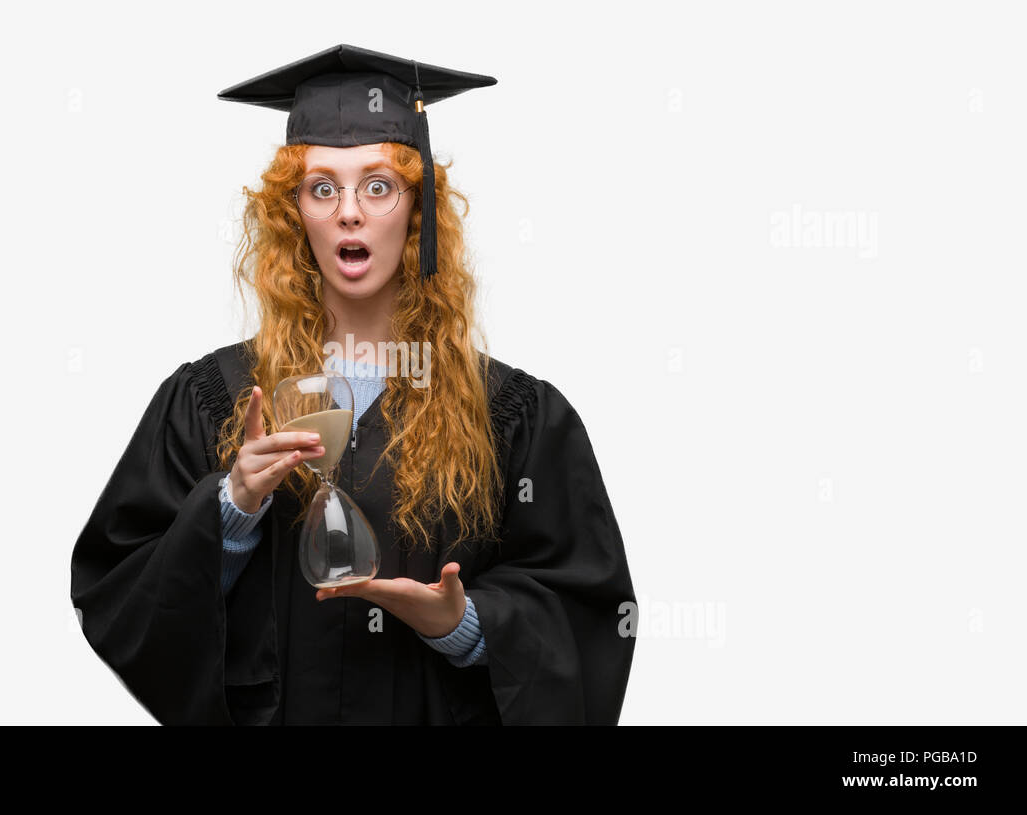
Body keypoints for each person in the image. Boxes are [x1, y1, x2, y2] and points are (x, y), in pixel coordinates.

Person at [69, 44, 637, 725]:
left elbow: (589, 610)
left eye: (377, 185)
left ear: (418, 210)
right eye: (322, 187)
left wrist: (463, 622)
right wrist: (232, 507)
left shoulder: (511, 416)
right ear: (293, 215)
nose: (349, 211)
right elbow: (119, 593)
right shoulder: (214, 398)